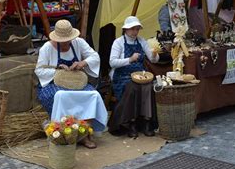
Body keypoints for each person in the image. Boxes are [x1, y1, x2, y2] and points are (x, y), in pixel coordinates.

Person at [35, 19, 107, 148]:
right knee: (60, 95)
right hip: (53, 83)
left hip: (76, 81)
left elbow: (95, 57)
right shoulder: (47, 48)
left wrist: (82, 63)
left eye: (68, 40)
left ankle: (84, 134)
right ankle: (63, 132)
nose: (65, 43)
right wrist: (57, 71)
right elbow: (39, 70)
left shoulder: (78, 43)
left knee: (93, 94)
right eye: (62, 41)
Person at [108, 16, 159, 137]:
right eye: (132, 29)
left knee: (149, 87)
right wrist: (130, 60)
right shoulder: (118, 42)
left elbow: (153, 59)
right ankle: (131, 123)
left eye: (137, 29)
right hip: (122, 76)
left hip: (141, 75)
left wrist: (155, 54)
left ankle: (146, 121)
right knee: (133, 87)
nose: (135, 32)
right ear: (125, 29)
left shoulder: (141, 41)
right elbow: (112, 62)